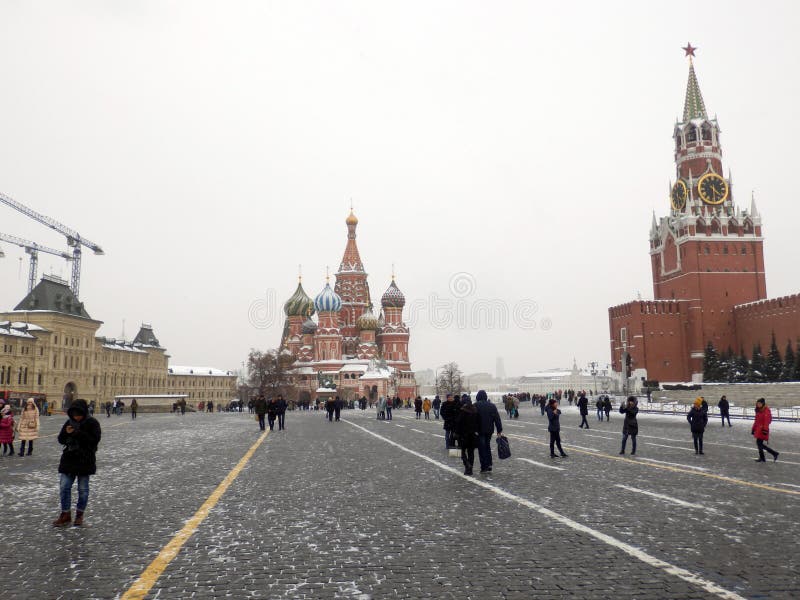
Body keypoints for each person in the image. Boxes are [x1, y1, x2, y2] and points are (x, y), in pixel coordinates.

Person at [53, 399, 102, 527]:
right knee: (64, 487)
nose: (76, 417)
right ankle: (65, 514)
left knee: (83, 489)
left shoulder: (92, 423)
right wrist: (66, 433)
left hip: (85, 460)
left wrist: (76, 433)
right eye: (74, 415)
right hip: (69, 460)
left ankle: (79, 515)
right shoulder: (69, 422)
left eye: (78, 414)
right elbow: (60, 439)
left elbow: (94, 440)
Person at [474, 390, 503, 473]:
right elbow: (497, 418)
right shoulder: (492, 406)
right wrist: (499, 430)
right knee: (487, 446)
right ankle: (489, 464)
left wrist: (473, 429)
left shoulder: (475, 405)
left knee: (481, 448)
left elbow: (473, 419)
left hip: (479, 430)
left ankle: (484, 466)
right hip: (489, 430)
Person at [455, 396, 478, 475]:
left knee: (462, 451)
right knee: (471, 452)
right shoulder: (475, 410)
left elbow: (458, 423)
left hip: (463, 435)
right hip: (472, 435)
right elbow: (478, 423)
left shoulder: (463, 411)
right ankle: (470, 468)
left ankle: (467, 464)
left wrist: (456, 433)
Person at [752, 398, 779, 462]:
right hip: (758, 429)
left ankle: (767, 456)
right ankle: (772, 454)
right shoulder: (758, 410)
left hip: (762, 430)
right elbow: (756, 421)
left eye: (759, 403)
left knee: (759, 443)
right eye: (757, 403)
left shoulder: (766, 410)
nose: (758, 404)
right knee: (759, 444)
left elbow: (767, 421)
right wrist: (753, 429)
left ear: (763, 403)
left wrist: (765, 430)